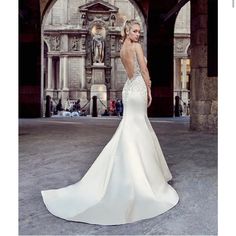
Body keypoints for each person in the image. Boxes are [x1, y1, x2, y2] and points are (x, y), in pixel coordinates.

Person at [41, 19, 179, 225]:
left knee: (130, 128)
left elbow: (130, 73)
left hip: (128, 89)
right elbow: (143, 70)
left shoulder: (124, 48)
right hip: (138, 88)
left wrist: (140, 82)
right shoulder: (137, 47)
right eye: (134, 31)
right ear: (127, 31)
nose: (138, 34)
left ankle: (127, 171)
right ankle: (142, 178)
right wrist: (149, 88)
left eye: (139, 31)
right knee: (138, 128)